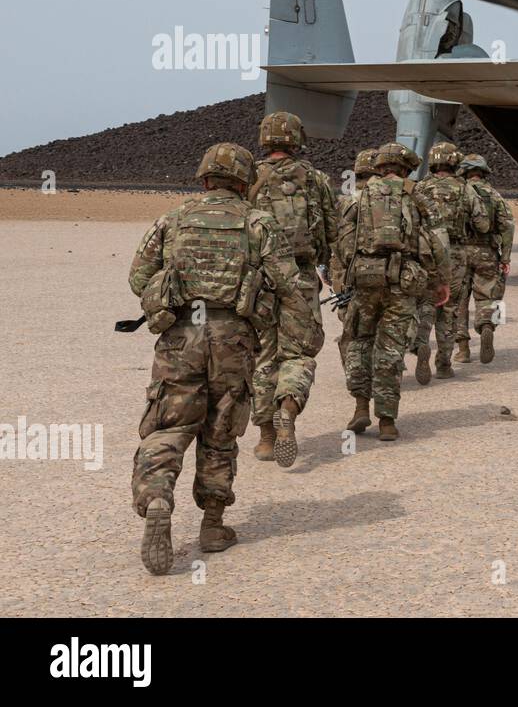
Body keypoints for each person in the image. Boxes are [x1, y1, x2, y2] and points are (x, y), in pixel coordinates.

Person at [129, 142, 311, 575]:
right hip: (233, 338)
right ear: (245, 183)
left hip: (180, 337)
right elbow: (289, 284)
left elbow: (138, 278)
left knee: (169, 424)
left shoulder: (172, 219)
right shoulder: (259, 223)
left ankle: (157, 497)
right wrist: (297, 337)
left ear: (205, 178)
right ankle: (212, 525)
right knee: (221, 429)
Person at [337, 142, 450, 440]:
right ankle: (387, 421)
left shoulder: (357, 197)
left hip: (365, 280)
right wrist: (440, 281)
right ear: (406, 169)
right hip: (404, 282)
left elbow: (342, 241)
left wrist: (347, 275)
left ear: (379, 167)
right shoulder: (418, 196)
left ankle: (360, 407)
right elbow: (438, 242)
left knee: (360, 342)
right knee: (391, 348)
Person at [246, 111, 336, 468]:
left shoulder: (250, 176)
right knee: (298, 354)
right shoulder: (315, 178)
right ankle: (288, 408)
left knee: (262, 356)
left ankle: (267, 437)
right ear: (297, 139)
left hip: (260, 282)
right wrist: (327, 267)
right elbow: (331, 229)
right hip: (301, 279)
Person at [411, 141, 488, 381]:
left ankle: (421, 344)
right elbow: (482, 224)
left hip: (425, 255)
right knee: (450, 309)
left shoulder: (419, 188)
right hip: (455, 255)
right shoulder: (466, 189)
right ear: (455, 162)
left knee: (424, 305)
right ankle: (444, 364)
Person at [454, 154, 515, 364]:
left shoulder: (458, 193)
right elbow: (508, 226)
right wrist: (505, 257)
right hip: (487, 253)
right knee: (491, 296)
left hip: (459, 254)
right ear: (484, 173)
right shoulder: (494, 195)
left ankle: (462, 348)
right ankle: (488, 326)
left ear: (463, 173)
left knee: (459, 301)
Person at [331, 149, 376, 372]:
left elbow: (331, 235)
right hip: (377, 268)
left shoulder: (343, 201)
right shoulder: (385, 198)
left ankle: (352, 365)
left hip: (344, 270)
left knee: (349, 317)